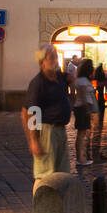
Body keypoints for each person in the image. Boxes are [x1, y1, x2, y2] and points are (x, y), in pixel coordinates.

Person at [22, 43, 72, 179]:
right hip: (46, 131)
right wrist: (33, 140)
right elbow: (31, 112)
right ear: (42, 62)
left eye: (56, 56)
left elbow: (70, 80)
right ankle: (40, 199)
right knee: (44, 175)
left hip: (60, 130)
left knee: (62, 173)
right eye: (52, 57)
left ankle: (57, 200)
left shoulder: (60, 78)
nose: (55, 60)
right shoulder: (38, 83)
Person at [72, 59, 98, 167]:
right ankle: (80, 158)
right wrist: (87, 109)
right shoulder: (83, 81)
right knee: (81, 134)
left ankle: (81, 157)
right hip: (82, 108)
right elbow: (83, 96)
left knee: (81, 133)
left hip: (82, 107)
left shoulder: (82, 80)